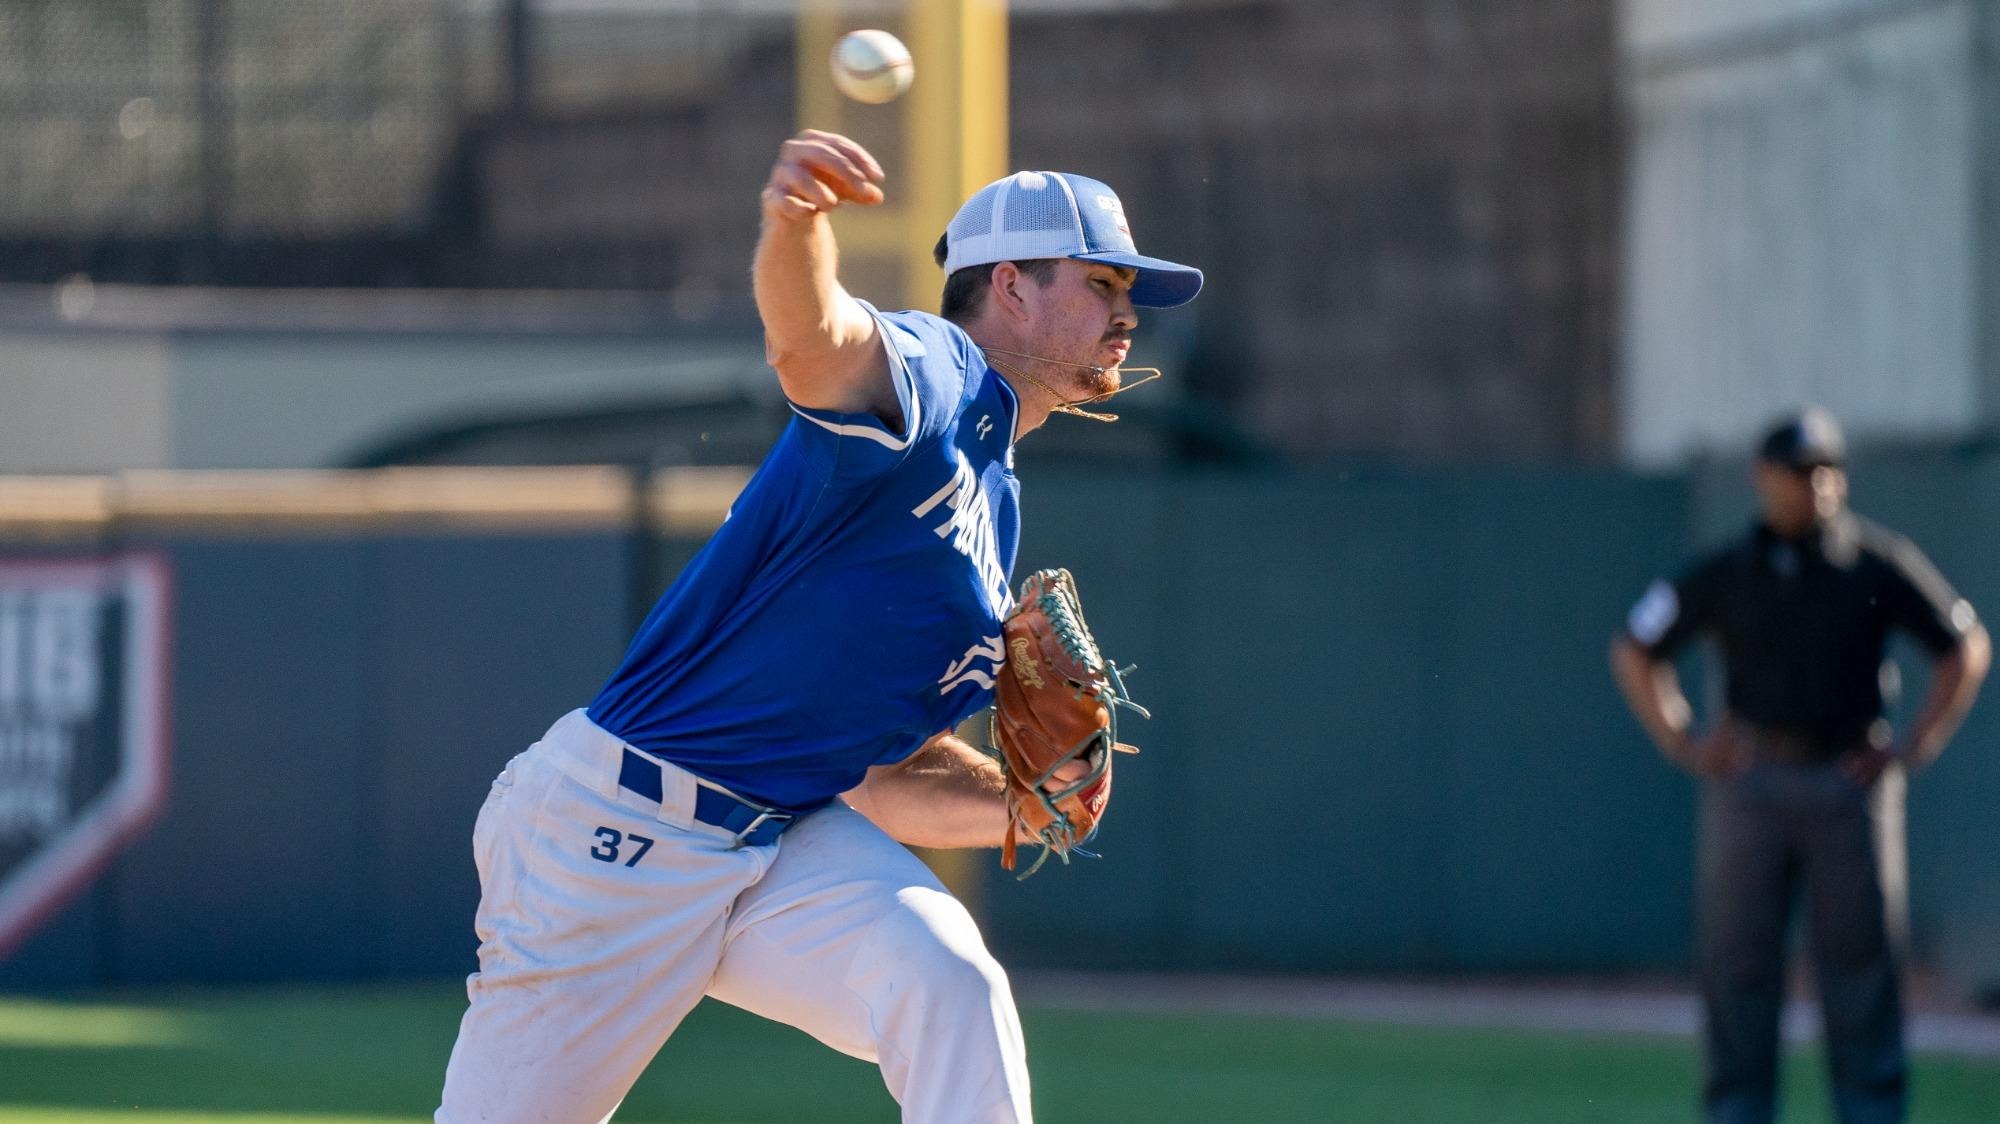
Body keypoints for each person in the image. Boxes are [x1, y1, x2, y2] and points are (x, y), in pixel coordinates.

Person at [435, 130, 1202, 1124]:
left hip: (778, 843)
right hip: (611, 838)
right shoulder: (940, 373)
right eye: (1101, 282)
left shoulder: (992, 499)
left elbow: (879, 772)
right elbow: (814, 343)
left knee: (949, 982)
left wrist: (1022, 802)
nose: (1126, 312)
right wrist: (793, 226)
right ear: (1010, 286)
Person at [1609, 407, 1989, 1124]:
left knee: (1860, 969)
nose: (1814, 487)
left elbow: (1964, 646)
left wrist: (1917, 742)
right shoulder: (1729, 569)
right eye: (1799, 472)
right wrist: (1683, 740)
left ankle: (1871, 1112)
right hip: (1751, 782)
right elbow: (1635, 646)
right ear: (1764, 477)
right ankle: (1737, 1111)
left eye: (1827, 472)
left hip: (1849, 783)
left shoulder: (1874, 561)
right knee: (1738, 967)